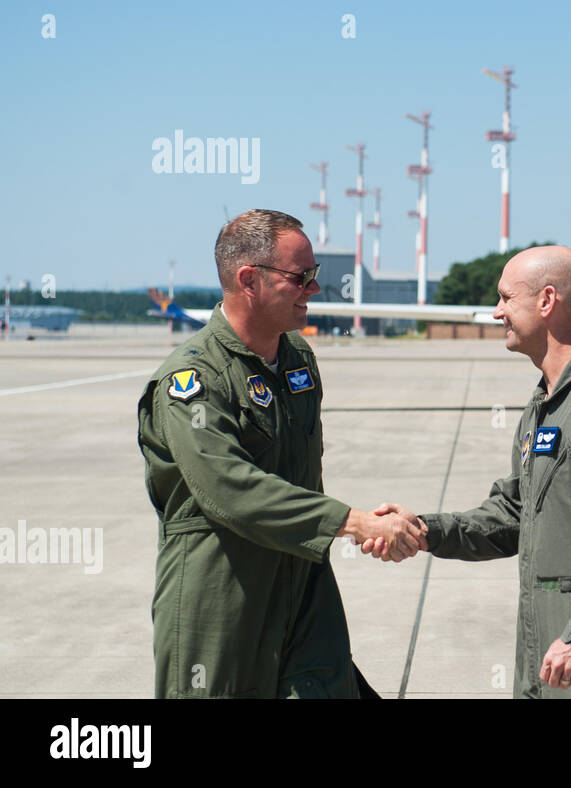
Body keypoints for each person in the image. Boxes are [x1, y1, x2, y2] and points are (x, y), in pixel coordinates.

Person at [137, 209, 427, 698]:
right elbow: (229, 488)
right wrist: (352, 522)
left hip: (304, 586)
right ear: (249, 279)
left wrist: (362, 525)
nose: (314, 289)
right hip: (224, 595)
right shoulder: (191, 380)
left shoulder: (298, 356)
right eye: (302, 277)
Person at [366, 245, 571, 698]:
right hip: (548, 653)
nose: (496, 312)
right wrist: (423, 530)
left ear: (546, 302)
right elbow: (513, 514)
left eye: (507, 298)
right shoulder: (544, 405)